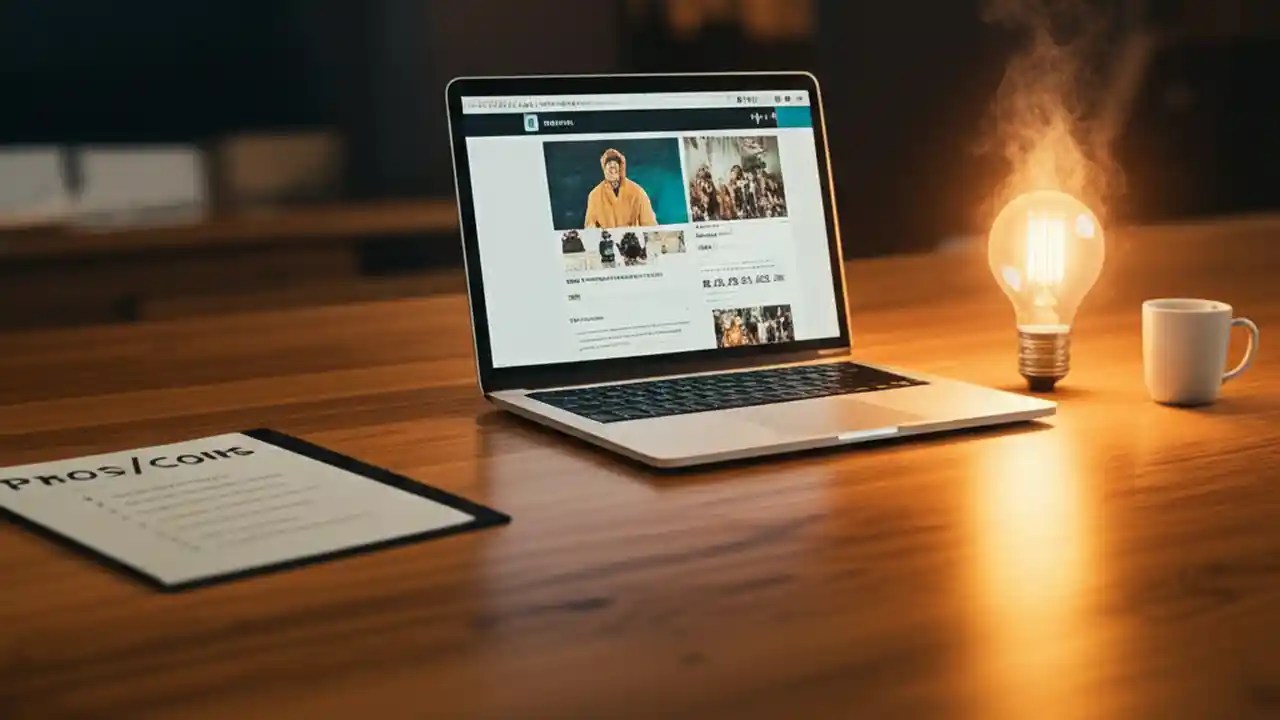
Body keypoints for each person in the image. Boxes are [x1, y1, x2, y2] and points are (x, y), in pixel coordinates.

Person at [584, 149, 658, 229]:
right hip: (607, 240)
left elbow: (650, 225)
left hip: (632, 239)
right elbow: (590, 226)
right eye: (609, 166)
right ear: (604, 169)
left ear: (621, 168)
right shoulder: (595, 195)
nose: (612, 170)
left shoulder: (637, 192)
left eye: (615, 167)